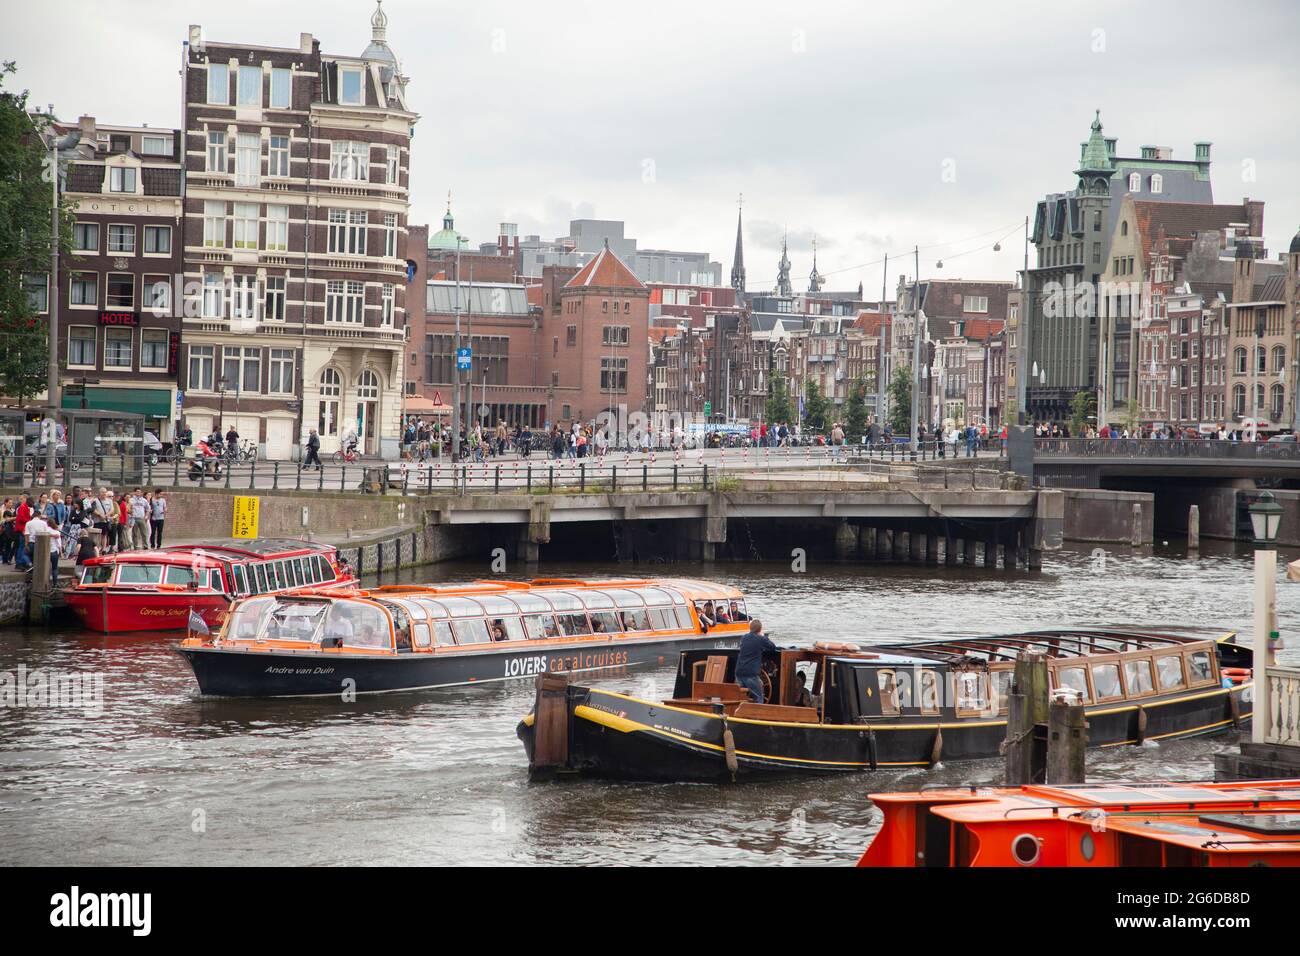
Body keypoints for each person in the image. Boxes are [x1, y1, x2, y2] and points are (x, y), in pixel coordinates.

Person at [735, 619, 777, 704]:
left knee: (739, 698)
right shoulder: (760, 639)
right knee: (759, 698)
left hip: (739, 672)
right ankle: (757, 712)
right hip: (750, 674)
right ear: (760, 629)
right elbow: (772, 647)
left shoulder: (744, 637)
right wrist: (763, 636)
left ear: (750, 628)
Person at [23, 506, 62, 587]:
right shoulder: (44, 524)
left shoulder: (28, 523)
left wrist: (26, 544)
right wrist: (54, 535)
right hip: (42, 545)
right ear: (39, 516)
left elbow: (26, 534)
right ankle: (54, 584)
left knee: (25, 555)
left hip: (31, 542)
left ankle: (30, 565)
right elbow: (46, 534)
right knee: (52, 567)